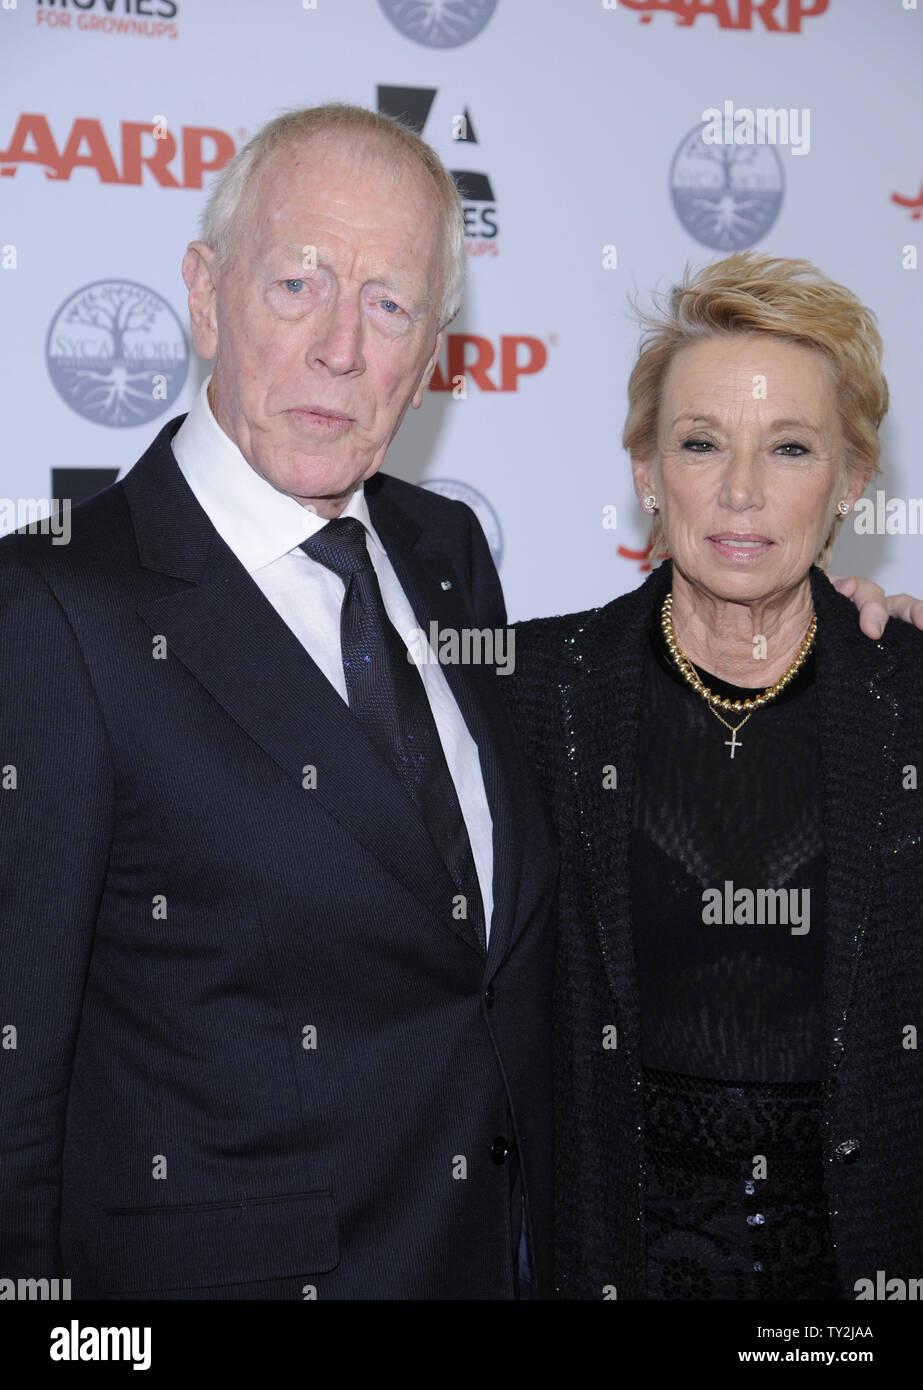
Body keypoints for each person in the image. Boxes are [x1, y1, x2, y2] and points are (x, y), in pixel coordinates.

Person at [0, 104, 559, 1300]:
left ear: (430, 355)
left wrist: (799, 629)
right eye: (298, 282)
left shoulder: (446, 549)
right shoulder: (55, 609)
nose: (342, 348)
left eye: (390, 304)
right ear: (205, 296)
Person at [503, 253, 923, 1300]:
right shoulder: (527, 696)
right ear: (646, 470)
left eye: (788, 447)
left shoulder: (907, 693)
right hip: (607, 1265)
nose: (739, 491)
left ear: (851, 482)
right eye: (700, 444)